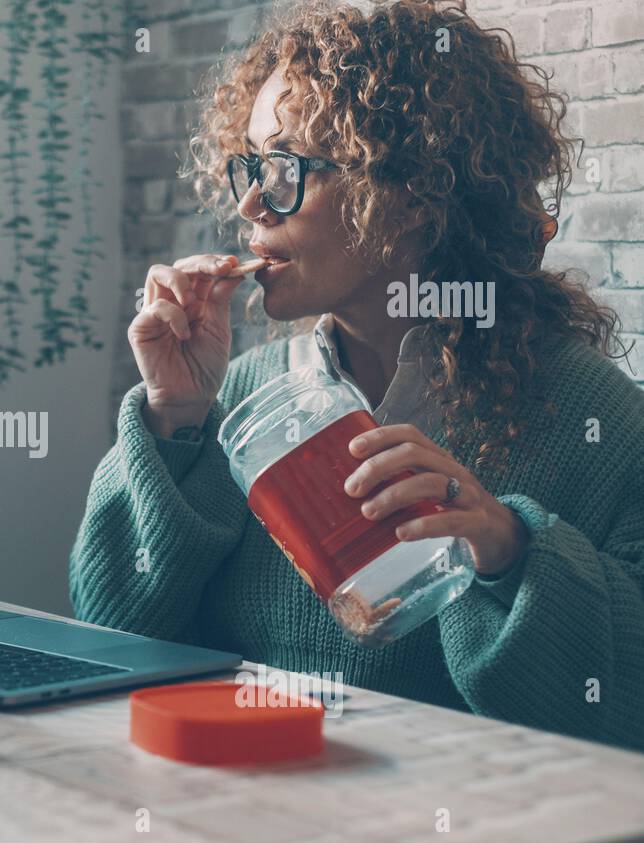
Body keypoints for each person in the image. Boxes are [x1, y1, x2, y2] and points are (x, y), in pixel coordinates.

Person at [68, 0, 644, 751]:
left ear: (408, 196)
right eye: (251, 165)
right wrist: (175, 418)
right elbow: (110, 636)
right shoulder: (238, 397)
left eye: (283, 169)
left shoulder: (599, 421)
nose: (249, 202)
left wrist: (507, 550)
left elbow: (623, 711)